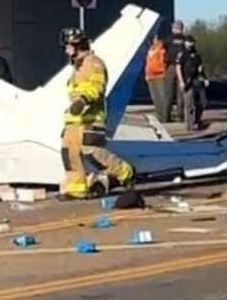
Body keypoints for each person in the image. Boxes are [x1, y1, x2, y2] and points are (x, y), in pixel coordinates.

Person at [59, 28, 134, 200]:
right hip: (74, 120)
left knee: (91, 152)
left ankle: (124, 172)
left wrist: (83, 101)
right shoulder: (77, 67)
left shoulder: (94, 64)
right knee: (69, 153)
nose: (66, 51)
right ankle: (76, 189)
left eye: (68, 47)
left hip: (91, 118)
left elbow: (96, 86)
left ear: (77, 46)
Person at [179, 35, 208, 131]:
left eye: (191, 42)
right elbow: (178, 68)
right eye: (188, 42)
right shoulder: (182, 54)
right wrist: (181, 81)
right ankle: (189, 125)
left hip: (196, 81)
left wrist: (205, 78)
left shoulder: (197, 55)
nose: (190, 44)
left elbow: (200, 68)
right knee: (189, 104)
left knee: (203, 103)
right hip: (187, 81)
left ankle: (196, 120)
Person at [163, 21, 187, 122]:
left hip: (171, 67)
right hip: (183, 68)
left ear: (174, 28)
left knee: (168, 92)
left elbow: (163, 50)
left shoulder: (168, 39)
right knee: (181, 93)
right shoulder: (186, 40)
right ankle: (180, 116)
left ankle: (166, 116)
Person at [144, 36, 168, 122]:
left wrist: (160, 70)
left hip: (159, 76)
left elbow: (163, 62)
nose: (153, 40)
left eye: (155, 38)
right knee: (155, 98)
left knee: (161, 97)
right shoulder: (150, 49)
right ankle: (159, 115)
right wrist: (147, 74)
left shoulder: (161, 50)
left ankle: (164, 116)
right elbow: (148, 63)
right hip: (150, 76)